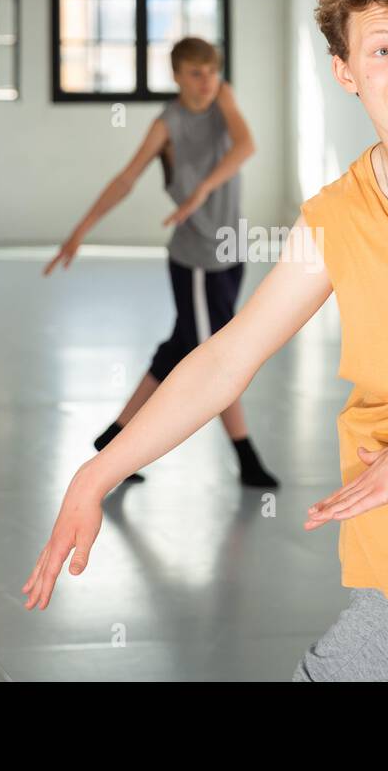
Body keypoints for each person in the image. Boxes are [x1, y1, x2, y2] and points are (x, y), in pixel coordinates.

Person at [23, 0, 388, 681]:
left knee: (382, 639)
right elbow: (228, 357)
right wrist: (94, 475)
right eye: (380, 49)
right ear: (347, 72)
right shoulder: (335, 219)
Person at [42, 36, 277, 487]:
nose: (206, 81)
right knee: (219, 355)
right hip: (196, 262)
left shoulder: (222, 97)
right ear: (176, 76)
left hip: (230, 252)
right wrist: (79, 230)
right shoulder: (167, 125)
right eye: (195, 73)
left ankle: (115, 437)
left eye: (212, 71)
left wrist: (204, 190)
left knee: (179, 347)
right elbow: (125, 179)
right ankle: (244, 456)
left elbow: (245, 146)